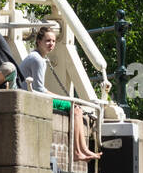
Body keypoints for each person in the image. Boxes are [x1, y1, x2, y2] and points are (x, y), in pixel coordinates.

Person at [19, 24, 99, 163]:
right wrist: (63, 97)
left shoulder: (37, 57)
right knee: (75, 109)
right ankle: (77, 151)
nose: (51, 44)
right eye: (47, 41)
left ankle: (82, 150)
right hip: (34, 99)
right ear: (39, 42)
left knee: (77, 109)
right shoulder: (37, 60)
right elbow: (39, 89)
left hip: (33, 96)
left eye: (54, 41)